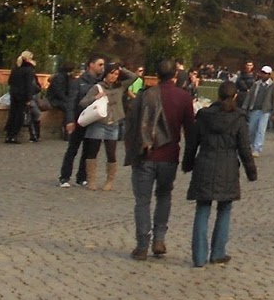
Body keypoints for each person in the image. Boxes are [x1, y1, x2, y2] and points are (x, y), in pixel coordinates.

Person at [124, 58, 197, 261]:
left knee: (142, 201)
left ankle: (141, 245)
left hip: (145, 155)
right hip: (169, 155)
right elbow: (190, 130)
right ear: (175, 75)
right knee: (164, 196)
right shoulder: (183, 97)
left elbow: (131, 125)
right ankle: (159, 239)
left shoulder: (145, 95)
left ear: (155, 75)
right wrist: (190, 157)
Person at [183, 81, 257, 267]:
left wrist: (187, 164)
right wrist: (251, 172)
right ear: (235, 97)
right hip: (227, 167)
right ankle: (217, 252)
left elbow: (192, 144)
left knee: (202, 209)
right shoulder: (238, 119)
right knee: (224, 210)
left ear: (218, 95)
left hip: (205, 164)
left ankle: (199, 257)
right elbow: (244, 148)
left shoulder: (203, 116)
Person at [79, 62, 136, 191]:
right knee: (93, 151)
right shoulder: (97, 87)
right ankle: (91, 179)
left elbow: (133, 77)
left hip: (113, 123)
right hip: (98, 123)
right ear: (106, 73)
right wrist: (95, 97)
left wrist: (121, 68)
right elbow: (83, 103)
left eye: (116, 74)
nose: (114, 76)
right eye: (112, 73)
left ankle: (110, 180)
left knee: (111, 153)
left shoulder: (120, 87)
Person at [60, 54, 107, 187]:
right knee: (72, 149)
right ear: (91, 65)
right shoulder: (78, 82)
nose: (102, 68)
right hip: (78, 118)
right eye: (100, 64)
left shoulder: (100, 83)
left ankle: (82, 176)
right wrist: (69, 120)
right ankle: (64, 177)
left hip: (93, 119)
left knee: (88, 150)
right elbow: (71, 102)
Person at [240, 65, 274, 156]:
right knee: (251, 129)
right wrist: (245, 107)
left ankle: (257, 148)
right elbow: (249, 96)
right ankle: (250, 146)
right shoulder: (256, 84)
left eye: (265, 74)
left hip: (265, 111)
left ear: (269, 75)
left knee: (261, 130)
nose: (263, 75)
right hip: (254, 109)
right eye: (262, 73)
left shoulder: (273, 86)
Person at [4, 51, 40, 143]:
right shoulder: (29, 70)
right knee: (19, 115)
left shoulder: (16, 69)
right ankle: (14, 135)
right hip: (23, 95)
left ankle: (9, 135)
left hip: (14, 94)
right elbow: (29, 85)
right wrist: (29, 98)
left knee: (12, 114)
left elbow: (10, 81)